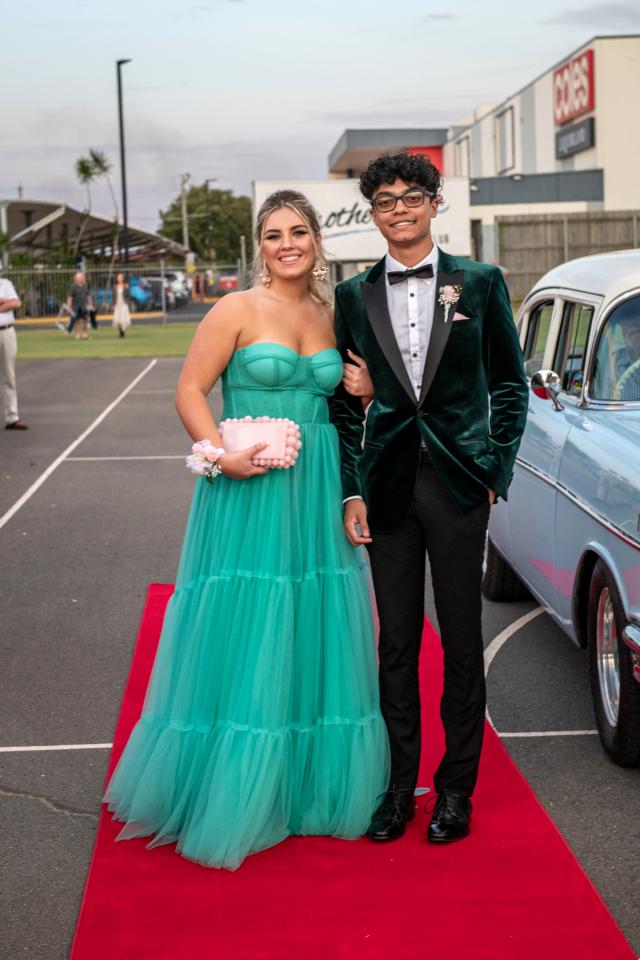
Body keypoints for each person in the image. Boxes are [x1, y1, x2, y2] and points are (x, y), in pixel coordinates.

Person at [104, 190, 390, 870]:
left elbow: (350, 410)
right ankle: (238, 789)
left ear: (316, 239)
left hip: (317, 488)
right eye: (272, 234)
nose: (286, 243)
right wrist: (217, 455)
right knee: (252, 617)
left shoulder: (335, 312)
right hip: (248, 486)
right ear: (259, 246)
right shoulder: (234, 309)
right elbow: (188, 391)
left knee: (312, 621)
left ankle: (305, 787)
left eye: (297, 231)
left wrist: (366, 394)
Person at [329, 153, 528, 845]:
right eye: (385, 200)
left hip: (458, 485)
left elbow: (510, 383)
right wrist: (351, 488)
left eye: (412, 196)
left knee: (464, 642)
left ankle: (455, 791)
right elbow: (345, 405)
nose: (400, 208)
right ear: (372, 213)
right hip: (386, 491)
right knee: (396, 646)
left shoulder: (480, 281)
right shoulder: (352, 296)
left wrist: (493, 468)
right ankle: (397, 790)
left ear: (434, 203)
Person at [0, 272, 28, 430]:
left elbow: (16, 303)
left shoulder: (6, 284)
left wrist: (4, 303)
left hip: (7, 331)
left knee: (9, 375)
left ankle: (12, 417)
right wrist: (5, 302)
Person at [62, 272, 93, 339]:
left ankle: (85, 333)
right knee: (76, 321)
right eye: (80, 277)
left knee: (85, 320)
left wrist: (91, 303)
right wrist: (69, 307)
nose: (82, 278)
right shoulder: (73, 287)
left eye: (82, 277)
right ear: (76, 279)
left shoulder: (85, 286)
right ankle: (77, 334)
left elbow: (88, 296)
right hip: (75, 307)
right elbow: (70, 297)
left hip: (84, 307)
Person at [111, 273, 132, 338]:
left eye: (121, 277)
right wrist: (113, 304)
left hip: (123, 304)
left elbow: (128, 295)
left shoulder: (126, 286)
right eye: (118, 277)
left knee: (123, 318)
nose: (119, 279)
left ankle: (123, 332)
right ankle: (120, 331)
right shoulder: (114, 286)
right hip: (117, 304)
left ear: (123, 279)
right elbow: (113, 296)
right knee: (118, 319)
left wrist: (127, 302)